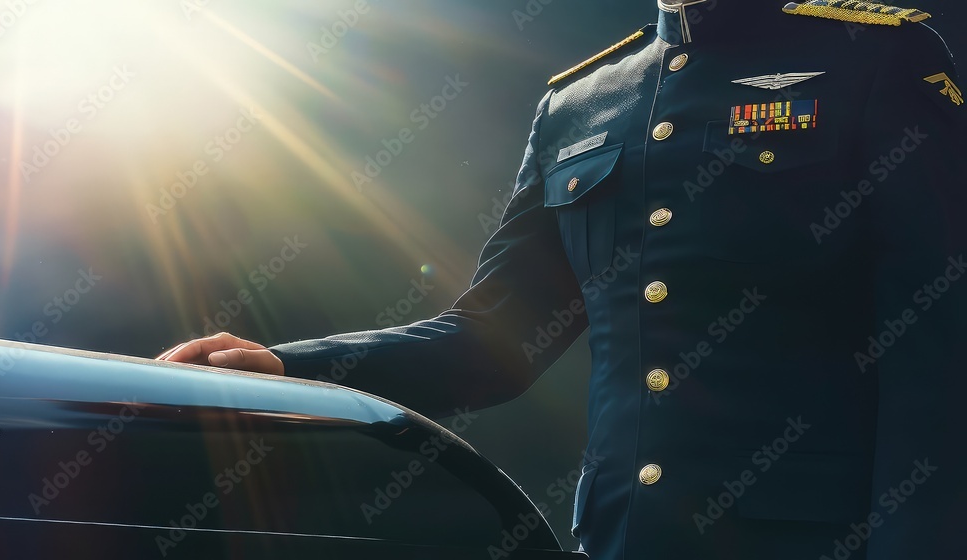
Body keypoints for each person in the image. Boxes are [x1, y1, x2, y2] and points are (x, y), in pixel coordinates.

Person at [160, 1, 967, 558]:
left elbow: (939, 344)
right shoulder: (579, 103)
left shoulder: (875, 56)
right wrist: (288, 370)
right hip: (622, 542)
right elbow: (493, 342)